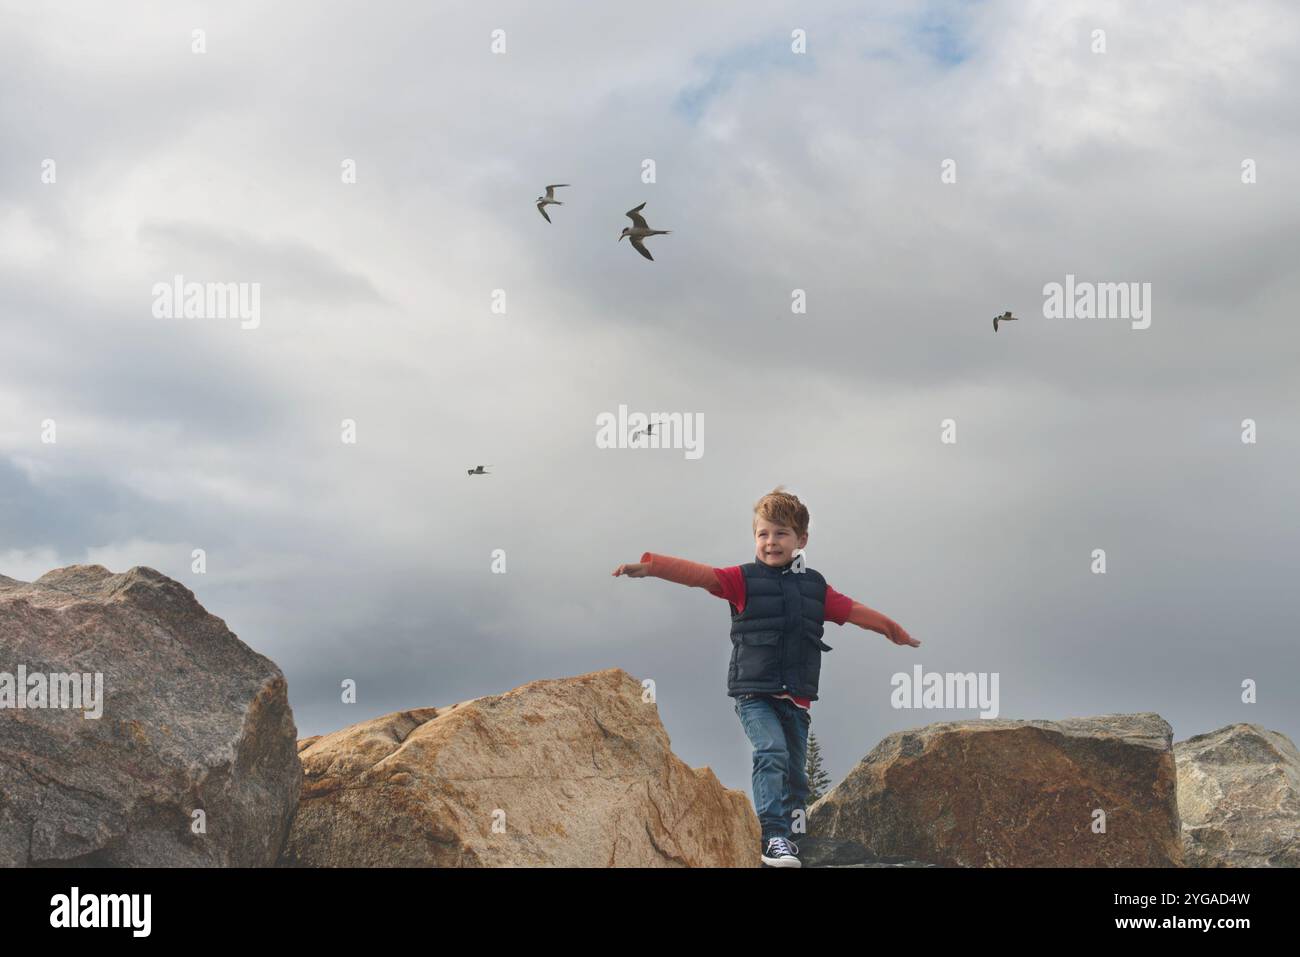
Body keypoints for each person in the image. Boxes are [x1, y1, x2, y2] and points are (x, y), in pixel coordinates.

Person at [612, 485, 919, 868]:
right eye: (763, 534)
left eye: (780, 533)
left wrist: (894, 630)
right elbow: (699, 575)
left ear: (801, 539)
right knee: (770, 751)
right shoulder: (743, 580)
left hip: (797, 698)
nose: (770, 542)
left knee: (795, 773)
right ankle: (772, 835)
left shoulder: (814, 587)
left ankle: (793, 838)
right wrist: (652, 567)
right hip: (754, 694)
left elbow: (855, 611)